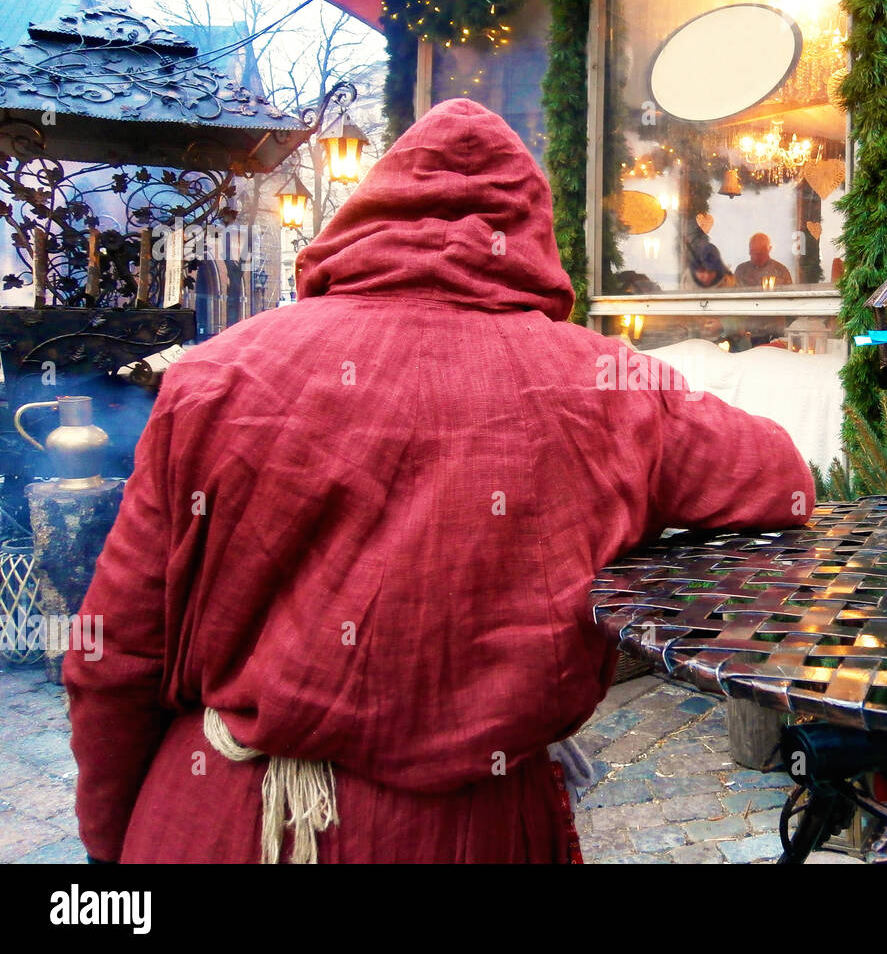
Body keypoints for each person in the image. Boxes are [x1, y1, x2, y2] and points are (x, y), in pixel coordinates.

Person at [63, 100, 813, 865]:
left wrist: (106, 845)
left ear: (367, 214)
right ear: (529, 232)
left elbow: (114, 655)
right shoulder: (610, 385)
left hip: (218, 823)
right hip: (469, 836)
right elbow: (782, 479)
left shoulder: (214, 375)